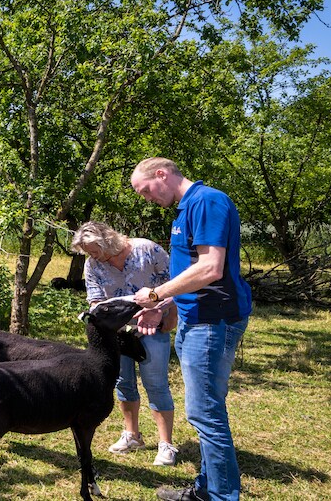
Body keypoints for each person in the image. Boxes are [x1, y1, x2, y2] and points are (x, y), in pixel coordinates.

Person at [130, 157, 253, 501]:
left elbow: (211, 268)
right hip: (194, 320)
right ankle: (206, 488)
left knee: (204, 412)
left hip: (213, 322)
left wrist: (155, 293)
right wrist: (164, 306)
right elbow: (190, 277)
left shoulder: (207, 201)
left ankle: (221, 496)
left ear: (162, 174)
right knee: (203, 410)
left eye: (146, 191)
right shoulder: (186, 210)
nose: (147, 198)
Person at [71, 221, 178, 467]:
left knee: (156, 384)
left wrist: (161, 312)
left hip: (153, 326)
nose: (91, 256)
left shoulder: (147, 250)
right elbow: (95, 301)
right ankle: (132, 435)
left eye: (93, 249)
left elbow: (176, 284)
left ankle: (166, 444)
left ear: (107, 240)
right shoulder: (92, 264)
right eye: (88, 251)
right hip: (116, 333)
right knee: (123, 382)